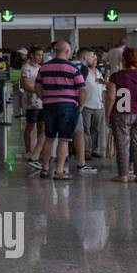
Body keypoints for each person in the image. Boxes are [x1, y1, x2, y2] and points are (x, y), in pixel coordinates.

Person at [36, 40, 85, 179]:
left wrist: (44, 98)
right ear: (67, 52)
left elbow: (37, 87)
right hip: (68, 107)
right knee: (64, 139)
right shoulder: (73, 68)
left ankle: (45, 169)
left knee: (49, 138)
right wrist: (80, 105)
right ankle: (59, 171)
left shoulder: (44, 68)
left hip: (49, 106)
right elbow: (82, 89)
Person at [106, 48, 137, 184]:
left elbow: (111, 97)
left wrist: (108, 115)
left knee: (123, 145)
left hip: (122, 115)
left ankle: (123, 175)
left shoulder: (116, 76)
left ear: (123, 60)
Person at [75, 46, 105, 163]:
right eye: (92, 57)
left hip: (98, 105)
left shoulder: (98, 72)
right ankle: (86, 150)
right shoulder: (82, 71)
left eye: (95, 58)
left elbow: (102, 89)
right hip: (87, 104)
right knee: (86, 129)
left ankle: (94, 149)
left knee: (96, 129)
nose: (94, 60)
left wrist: (103, 102)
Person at [21, 46, 46, 168]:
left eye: (41, 55)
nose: (40, 57)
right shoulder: (26, 68)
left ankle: (39, 149)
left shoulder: (41, 68)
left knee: (41, 126)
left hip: (42, 102)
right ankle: (28, 150)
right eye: (38, 55)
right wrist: (37, 91)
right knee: (30, 126)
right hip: (31, 102)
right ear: (31, 55)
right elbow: (25, 85)